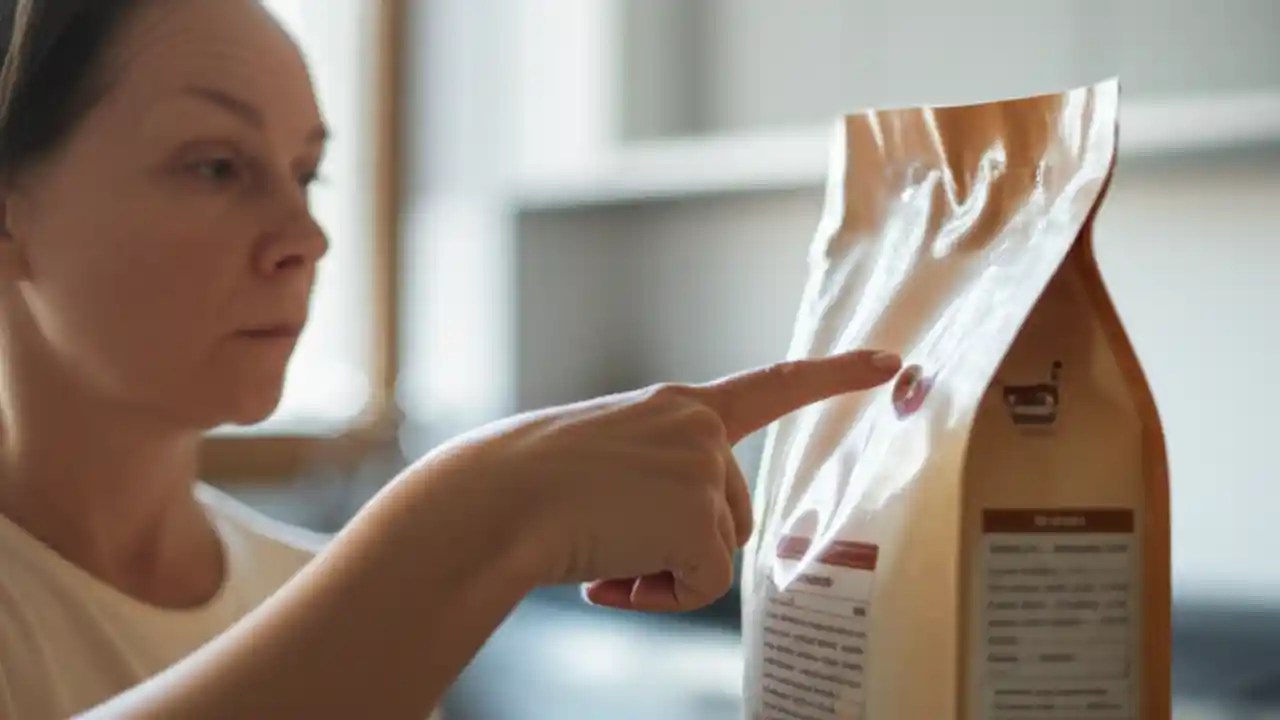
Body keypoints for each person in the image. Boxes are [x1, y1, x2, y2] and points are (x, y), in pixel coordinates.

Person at [0, 0, 903, 717]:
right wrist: (475, 515)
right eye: (215, 167)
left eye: (306, 173)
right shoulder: (369, 603)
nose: (305, 238)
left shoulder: (316, 595)